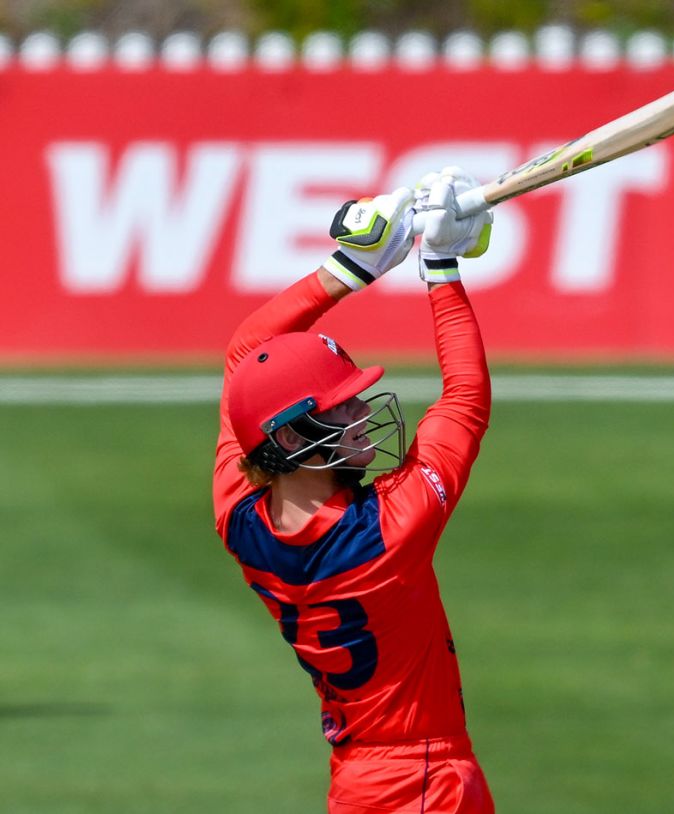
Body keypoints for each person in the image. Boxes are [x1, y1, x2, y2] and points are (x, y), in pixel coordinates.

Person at [212, 168, 496, 814]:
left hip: (362, 779)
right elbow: (466, 400)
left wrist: (350, 267)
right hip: (422, 781)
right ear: (289, 440)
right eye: (339, 409)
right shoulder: (390, 533)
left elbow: (245, 356)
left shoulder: (241, 514)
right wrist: (442, 269)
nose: (361, 412)